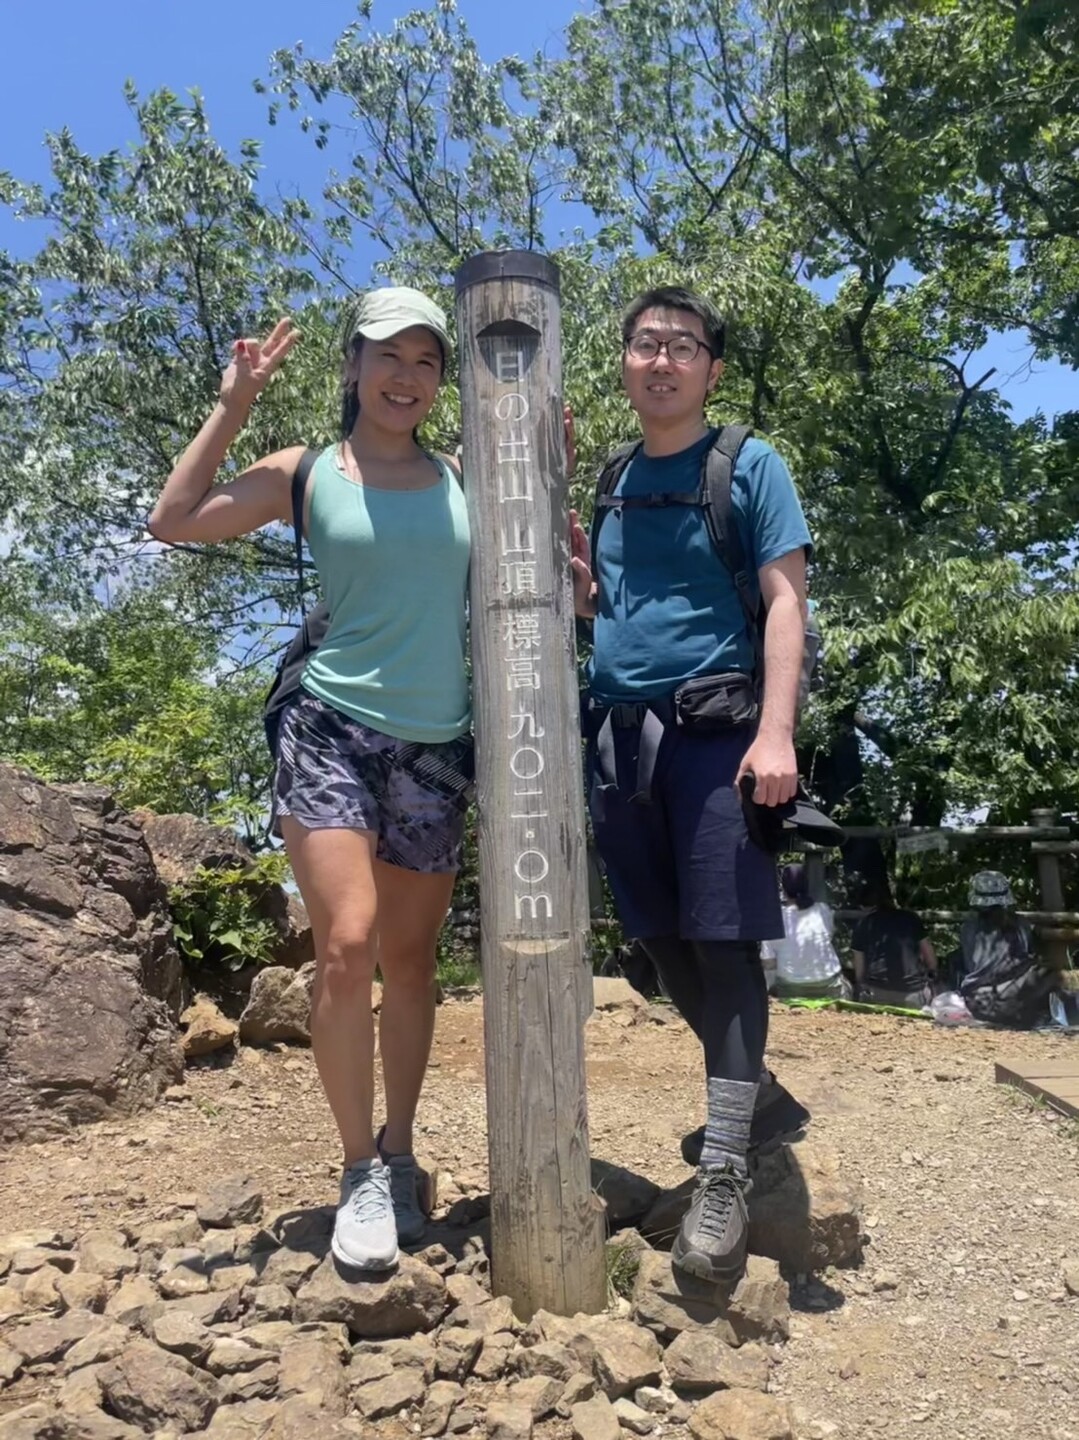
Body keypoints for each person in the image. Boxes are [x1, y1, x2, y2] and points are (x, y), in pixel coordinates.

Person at [149, 289, 473, 1273]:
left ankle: (400, 1151)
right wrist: (233, 404)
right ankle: (357, 1175)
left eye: (425, 359)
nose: (404, 375)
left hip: (436, 744)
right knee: (345, 940)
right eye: (387, 355)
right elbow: (174, 520)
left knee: (410, 965)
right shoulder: (305, 474)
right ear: (351, 367)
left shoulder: (465, 479)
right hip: (328, 728)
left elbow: (530, 570)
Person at [569, 285, 813, 1284]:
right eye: (643, 344)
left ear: (710, 366)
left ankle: (723, 1172)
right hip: (616, 740)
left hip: (717, 734)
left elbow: (784, 598)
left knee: (721, 944)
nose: (660, 359)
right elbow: (615, 610)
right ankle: (752, 1094)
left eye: (681, 345)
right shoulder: (612, 477)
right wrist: (587, 601)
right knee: (660, 943)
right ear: (623, 363)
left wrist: (776, 732)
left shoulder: (747, 466)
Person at [958, 871, 1053, 1026]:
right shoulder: (1022, 924)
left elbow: (970, 965)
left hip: (978, 1004)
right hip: (1019, 1003)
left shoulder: (969, 927)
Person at [762, 863, 850, 1000]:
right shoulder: (822, 910)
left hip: (790, 986)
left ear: (783, 888)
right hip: (828, 982)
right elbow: (829, 935)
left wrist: (770, 988)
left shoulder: (773, 918)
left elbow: (769, 963)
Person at [850, 879, 938, 1008]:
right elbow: (929, 956)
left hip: (876, 990)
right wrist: (932, 975)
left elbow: (859, 968)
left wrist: (861, 985)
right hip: (912, 991)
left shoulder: (863, 924)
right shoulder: (911, 918)